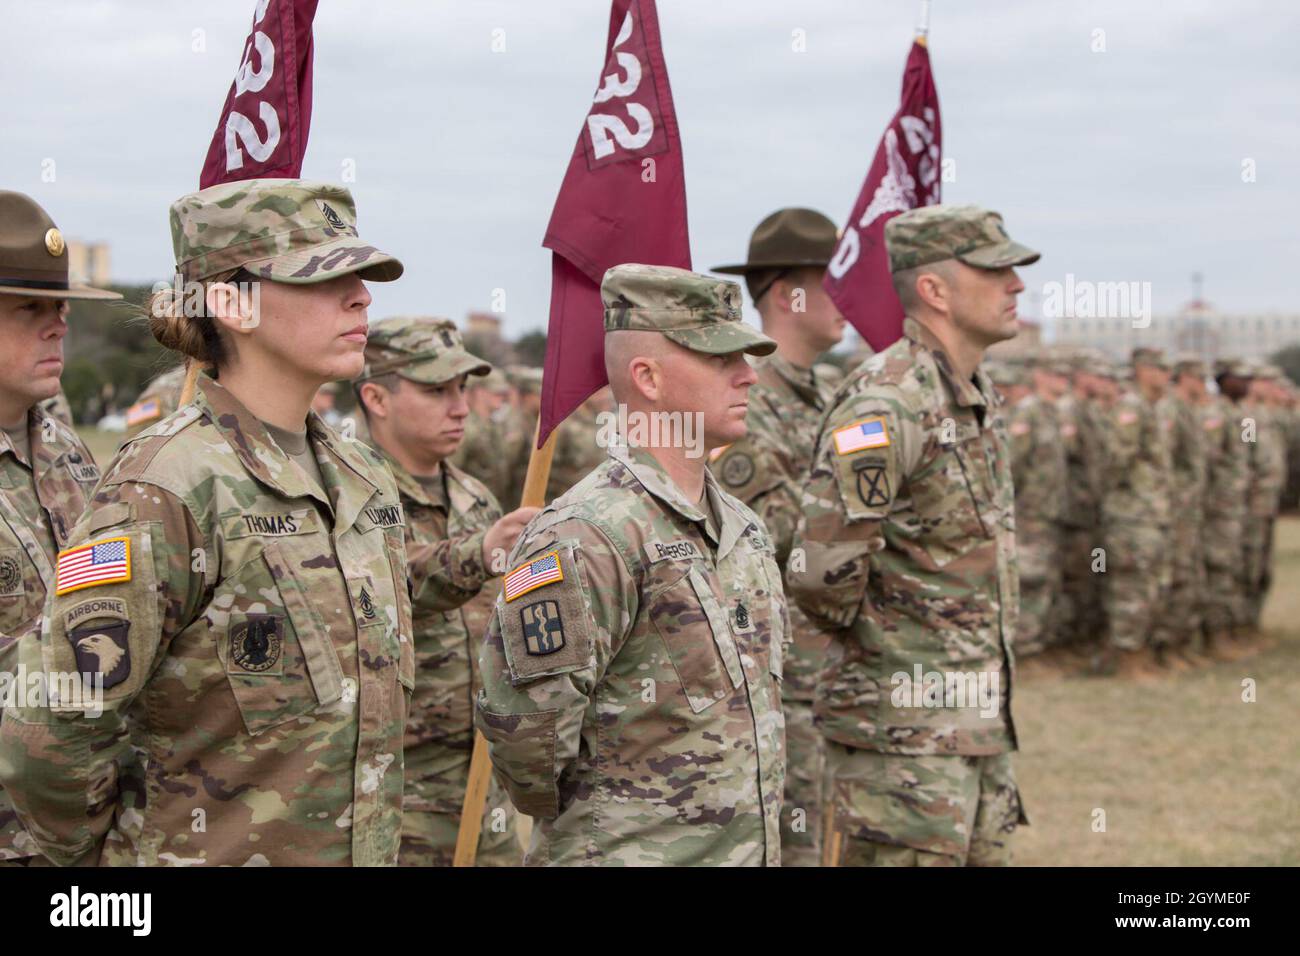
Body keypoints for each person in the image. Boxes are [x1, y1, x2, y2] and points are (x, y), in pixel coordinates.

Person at [0, 179, 414, 866]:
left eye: (362, 276)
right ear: (231, 303)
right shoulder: (165, 486)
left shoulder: (363, 479)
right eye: (325, 277)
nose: (361, 297)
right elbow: (52, 733)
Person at [476, 264, 788, 866]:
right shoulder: (584, 535)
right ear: (647, 376)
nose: (748, 376)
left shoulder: (743, 528)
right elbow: (529, 743)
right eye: (722, 359)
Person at [789, 204, 1036, 866]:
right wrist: (885, 647)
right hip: (899, 742)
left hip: (972, 728)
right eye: (995, 270)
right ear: (934, 291)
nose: (1016, 285)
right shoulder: (887, 402)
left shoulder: (968, 393)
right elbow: (819, 569)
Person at [354, 316, 539, 866]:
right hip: (398, 791)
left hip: (485, 774)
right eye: (436, 391)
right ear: (376, 398)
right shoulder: (350, 494)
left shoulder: (473, 497)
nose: (460, 407)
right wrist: (477, 553)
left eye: (462, 389)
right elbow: (378, 589)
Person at [709, 207, 845, 865]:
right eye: (834, 278)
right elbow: (778, 552)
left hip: (823, 680)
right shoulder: (752, 406)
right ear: (791, 291)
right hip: (776, 687)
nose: (851, 295)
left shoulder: (821, 400)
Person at [0, 191, 120, 866]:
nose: (58, 326)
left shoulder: (59, 440)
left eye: (60, 309)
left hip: (82, 834)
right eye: (30, 309)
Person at [1097, 347, 1172, 674]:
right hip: (1132, 514)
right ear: (1142, 370)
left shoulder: (1149, 408)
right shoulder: (1130, 408)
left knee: (1151, 582)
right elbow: (1116, 460)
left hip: (1151, 512)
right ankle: (1126, 656)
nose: (1165, 376)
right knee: (1131, 584)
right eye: (1159, 369)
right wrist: (1125, 499)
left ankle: (1138, 650)